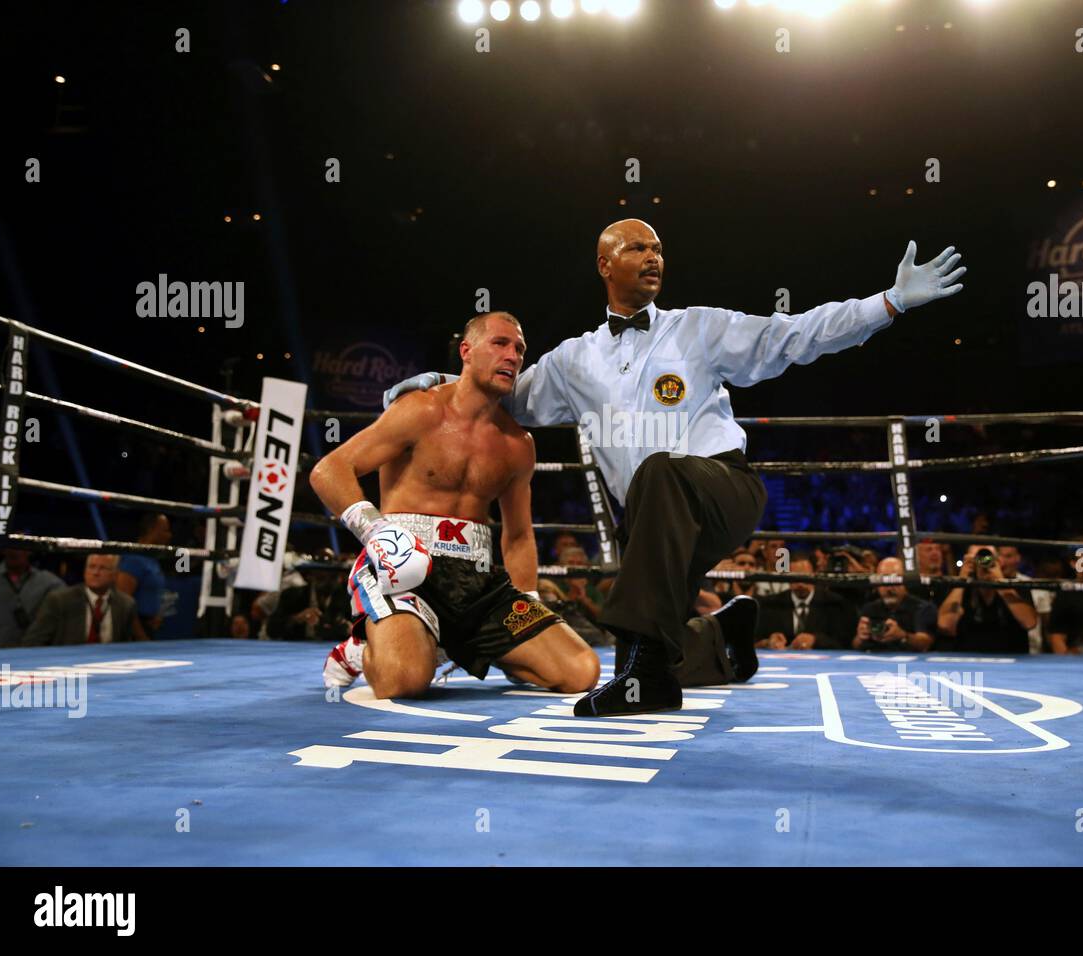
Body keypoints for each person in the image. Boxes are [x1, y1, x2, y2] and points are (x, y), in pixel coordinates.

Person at [385, 219, 964, 715]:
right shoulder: (571, 360)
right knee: (657, 637)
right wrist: (439, 384)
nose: (654, 257)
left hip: (721, 488)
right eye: (638, 248)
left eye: (659, 249)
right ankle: (720, 638)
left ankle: (642, 677)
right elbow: (503, 394)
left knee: (660, 471)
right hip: (650, 524)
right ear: (605, 263)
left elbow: (792, 337)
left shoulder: (699, 328)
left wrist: (884, 303)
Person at [308, 312, 600, 699]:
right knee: (404, 681)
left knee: (581, 671)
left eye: (519, 348)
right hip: (404, 571)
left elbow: (517, 534)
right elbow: (330, 469)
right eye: (500, 343)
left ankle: (471, 644)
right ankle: (360, 651)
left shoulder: (518, 444)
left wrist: (529, 604)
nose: (512, 356)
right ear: (466, 350)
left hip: (478, 582)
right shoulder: (420, 410)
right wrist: (377, 532)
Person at [23, 554, 146, 645]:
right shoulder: (60, 600)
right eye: (91, 567)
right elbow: (33, 641)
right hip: (67, 665)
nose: (95, 572)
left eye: (103, 568)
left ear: (114, 575)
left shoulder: (125, 604)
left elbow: (127, 646)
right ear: (84, 571)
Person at [936, 544, 1037, 653]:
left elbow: (1029, 623)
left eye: (988, 557)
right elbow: (945, 625)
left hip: (1011, 659)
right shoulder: (959, 589)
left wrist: (1000, 582)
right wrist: (962, 580)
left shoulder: (1016, 586)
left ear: (998, 560)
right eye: (977, 558)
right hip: (968, 660)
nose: (983, 562)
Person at [755, 553, 851, 649]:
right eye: (795, 578)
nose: (800, 584)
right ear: (786, 576)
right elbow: (754, 642)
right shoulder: (772, 604)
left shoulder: (834, 604)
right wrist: (768, 642)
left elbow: (845, 642)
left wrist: (816, 640)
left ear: (815, 574)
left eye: (805, 578)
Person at [0, 546, 63, 649]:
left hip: (31, 654)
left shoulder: (48, 582)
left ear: (28, 551)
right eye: (10, 546)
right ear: (4, 550)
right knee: (5, 665)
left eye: (18, 547)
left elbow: (70, 600)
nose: (13, 551)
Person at [854, 556, 938, 652]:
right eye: (884, 580)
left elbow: (926, 643)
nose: (889, 588)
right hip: (876, 662)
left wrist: (902, 636)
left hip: (910, 664)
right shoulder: (869, 608)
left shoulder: (923, 608)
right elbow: (855, 645)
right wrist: (860, 637)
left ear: (905, 581)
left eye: (895, 579)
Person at [266, 552, 354, 641]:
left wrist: (349, 629)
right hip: (296, 649)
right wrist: (296, 618)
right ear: (311, 574)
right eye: (319, 574)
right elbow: (271, 630)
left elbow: (360, 628)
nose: (326, 577)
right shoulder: (292, 595)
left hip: (335, 649)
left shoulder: (348, 599)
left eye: (331, 574)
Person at [116, 512, 172, 638]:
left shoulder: (152, 558)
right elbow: (123, 603)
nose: (169, 535)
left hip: (148, 626)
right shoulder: (134, 559)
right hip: (134, 630)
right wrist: (140, 635)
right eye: (165, 530)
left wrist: (156, 616)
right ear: (152, 529)